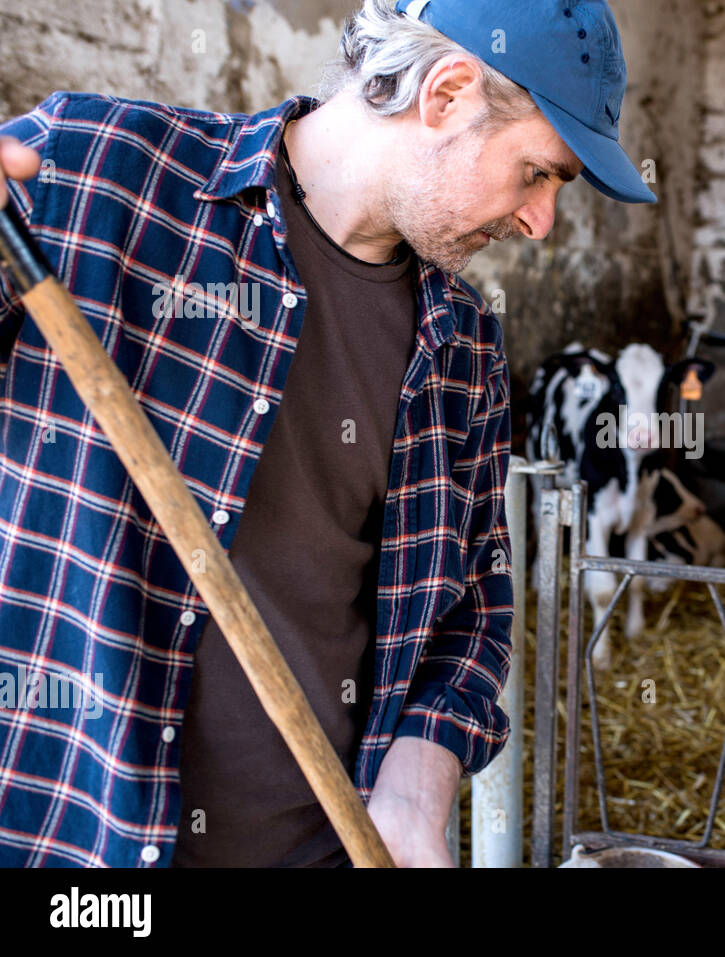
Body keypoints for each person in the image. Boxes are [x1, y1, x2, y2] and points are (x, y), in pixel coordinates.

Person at [0, 0, 654, 867]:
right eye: (540, 173)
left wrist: (417, 786)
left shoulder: (465, 343)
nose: (540, 223)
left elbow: (473, 605)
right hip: (74, 839)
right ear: (448, 93)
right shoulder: (95, 175)